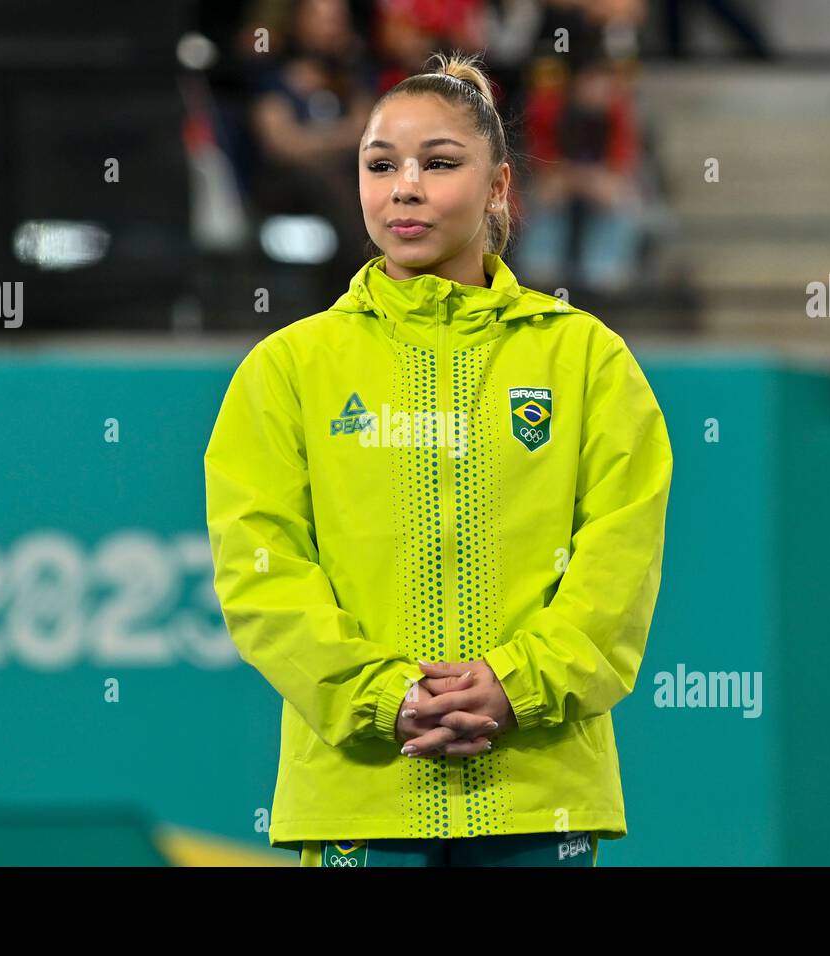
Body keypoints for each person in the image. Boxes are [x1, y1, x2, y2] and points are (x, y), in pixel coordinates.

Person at [204, 50, 673, 867]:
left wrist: (517, 684)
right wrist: (384, 698)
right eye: (380, 164)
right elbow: (261, 572)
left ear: (498, 187)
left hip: (538, 794)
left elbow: (619, 562)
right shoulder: (286, 369)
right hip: (360, 796)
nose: (405, 187)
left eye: (439, 163)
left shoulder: (588, 361)